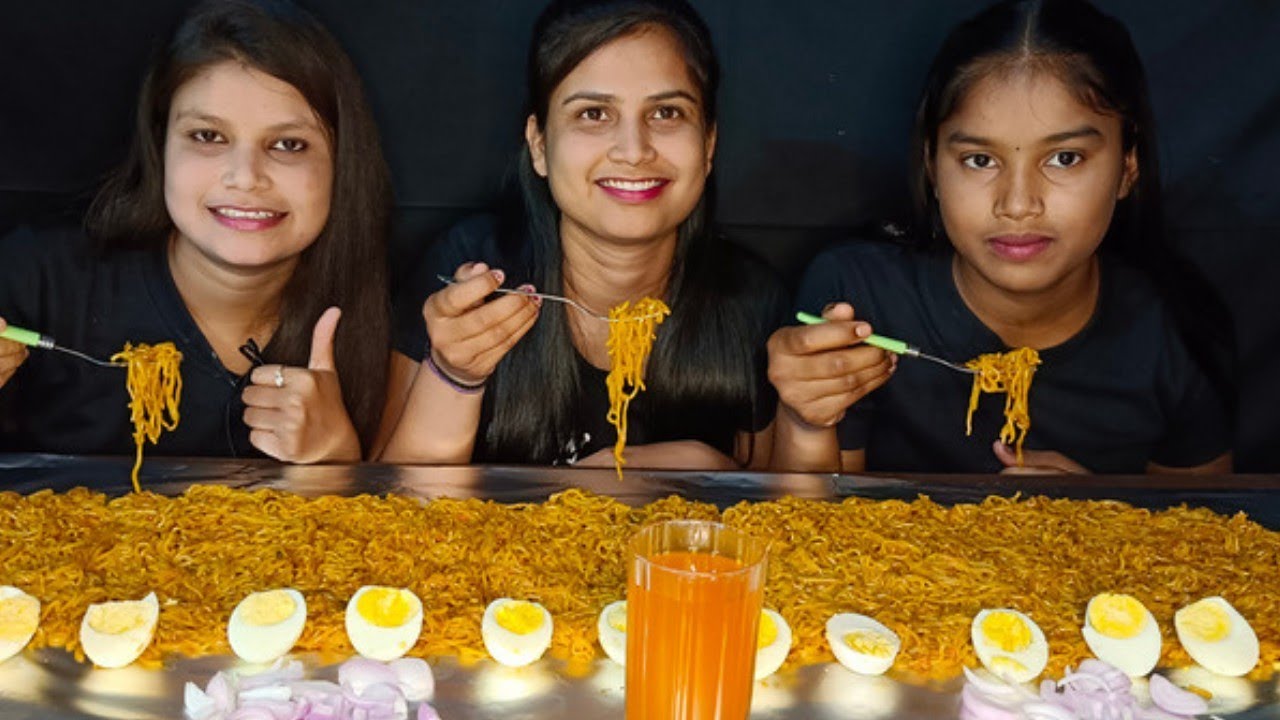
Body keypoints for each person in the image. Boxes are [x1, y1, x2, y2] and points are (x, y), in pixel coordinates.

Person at [768, 0, 1232, 474]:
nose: (1016, 204)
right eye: (980, 160)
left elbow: (1205, 533)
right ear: (932, 166)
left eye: (1065, 158)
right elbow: (808, 526)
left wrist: (1103, 515)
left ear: (1127, 168)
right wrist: (806, 421)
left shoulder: (1177, 332)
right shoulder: (859, 296)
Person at [379, 0, 787, 469]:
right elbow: (390, 505)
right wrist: (455, 375)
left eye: (667, 113)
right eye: (594, 114)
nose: (634, 151)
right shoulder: (471, 270)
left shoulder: (749, 300)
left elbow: (768, 516)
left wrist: (691, 462)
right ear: (539, 146)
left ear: (709, 144)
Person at [0, 0, 392, 464]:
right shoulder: (37, 280)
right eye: (208, 136)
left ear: (341, 164)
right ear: (160, 145)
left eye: (288, 145)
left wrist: (340, 465)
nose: (245, 177)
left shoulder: (381, 313)